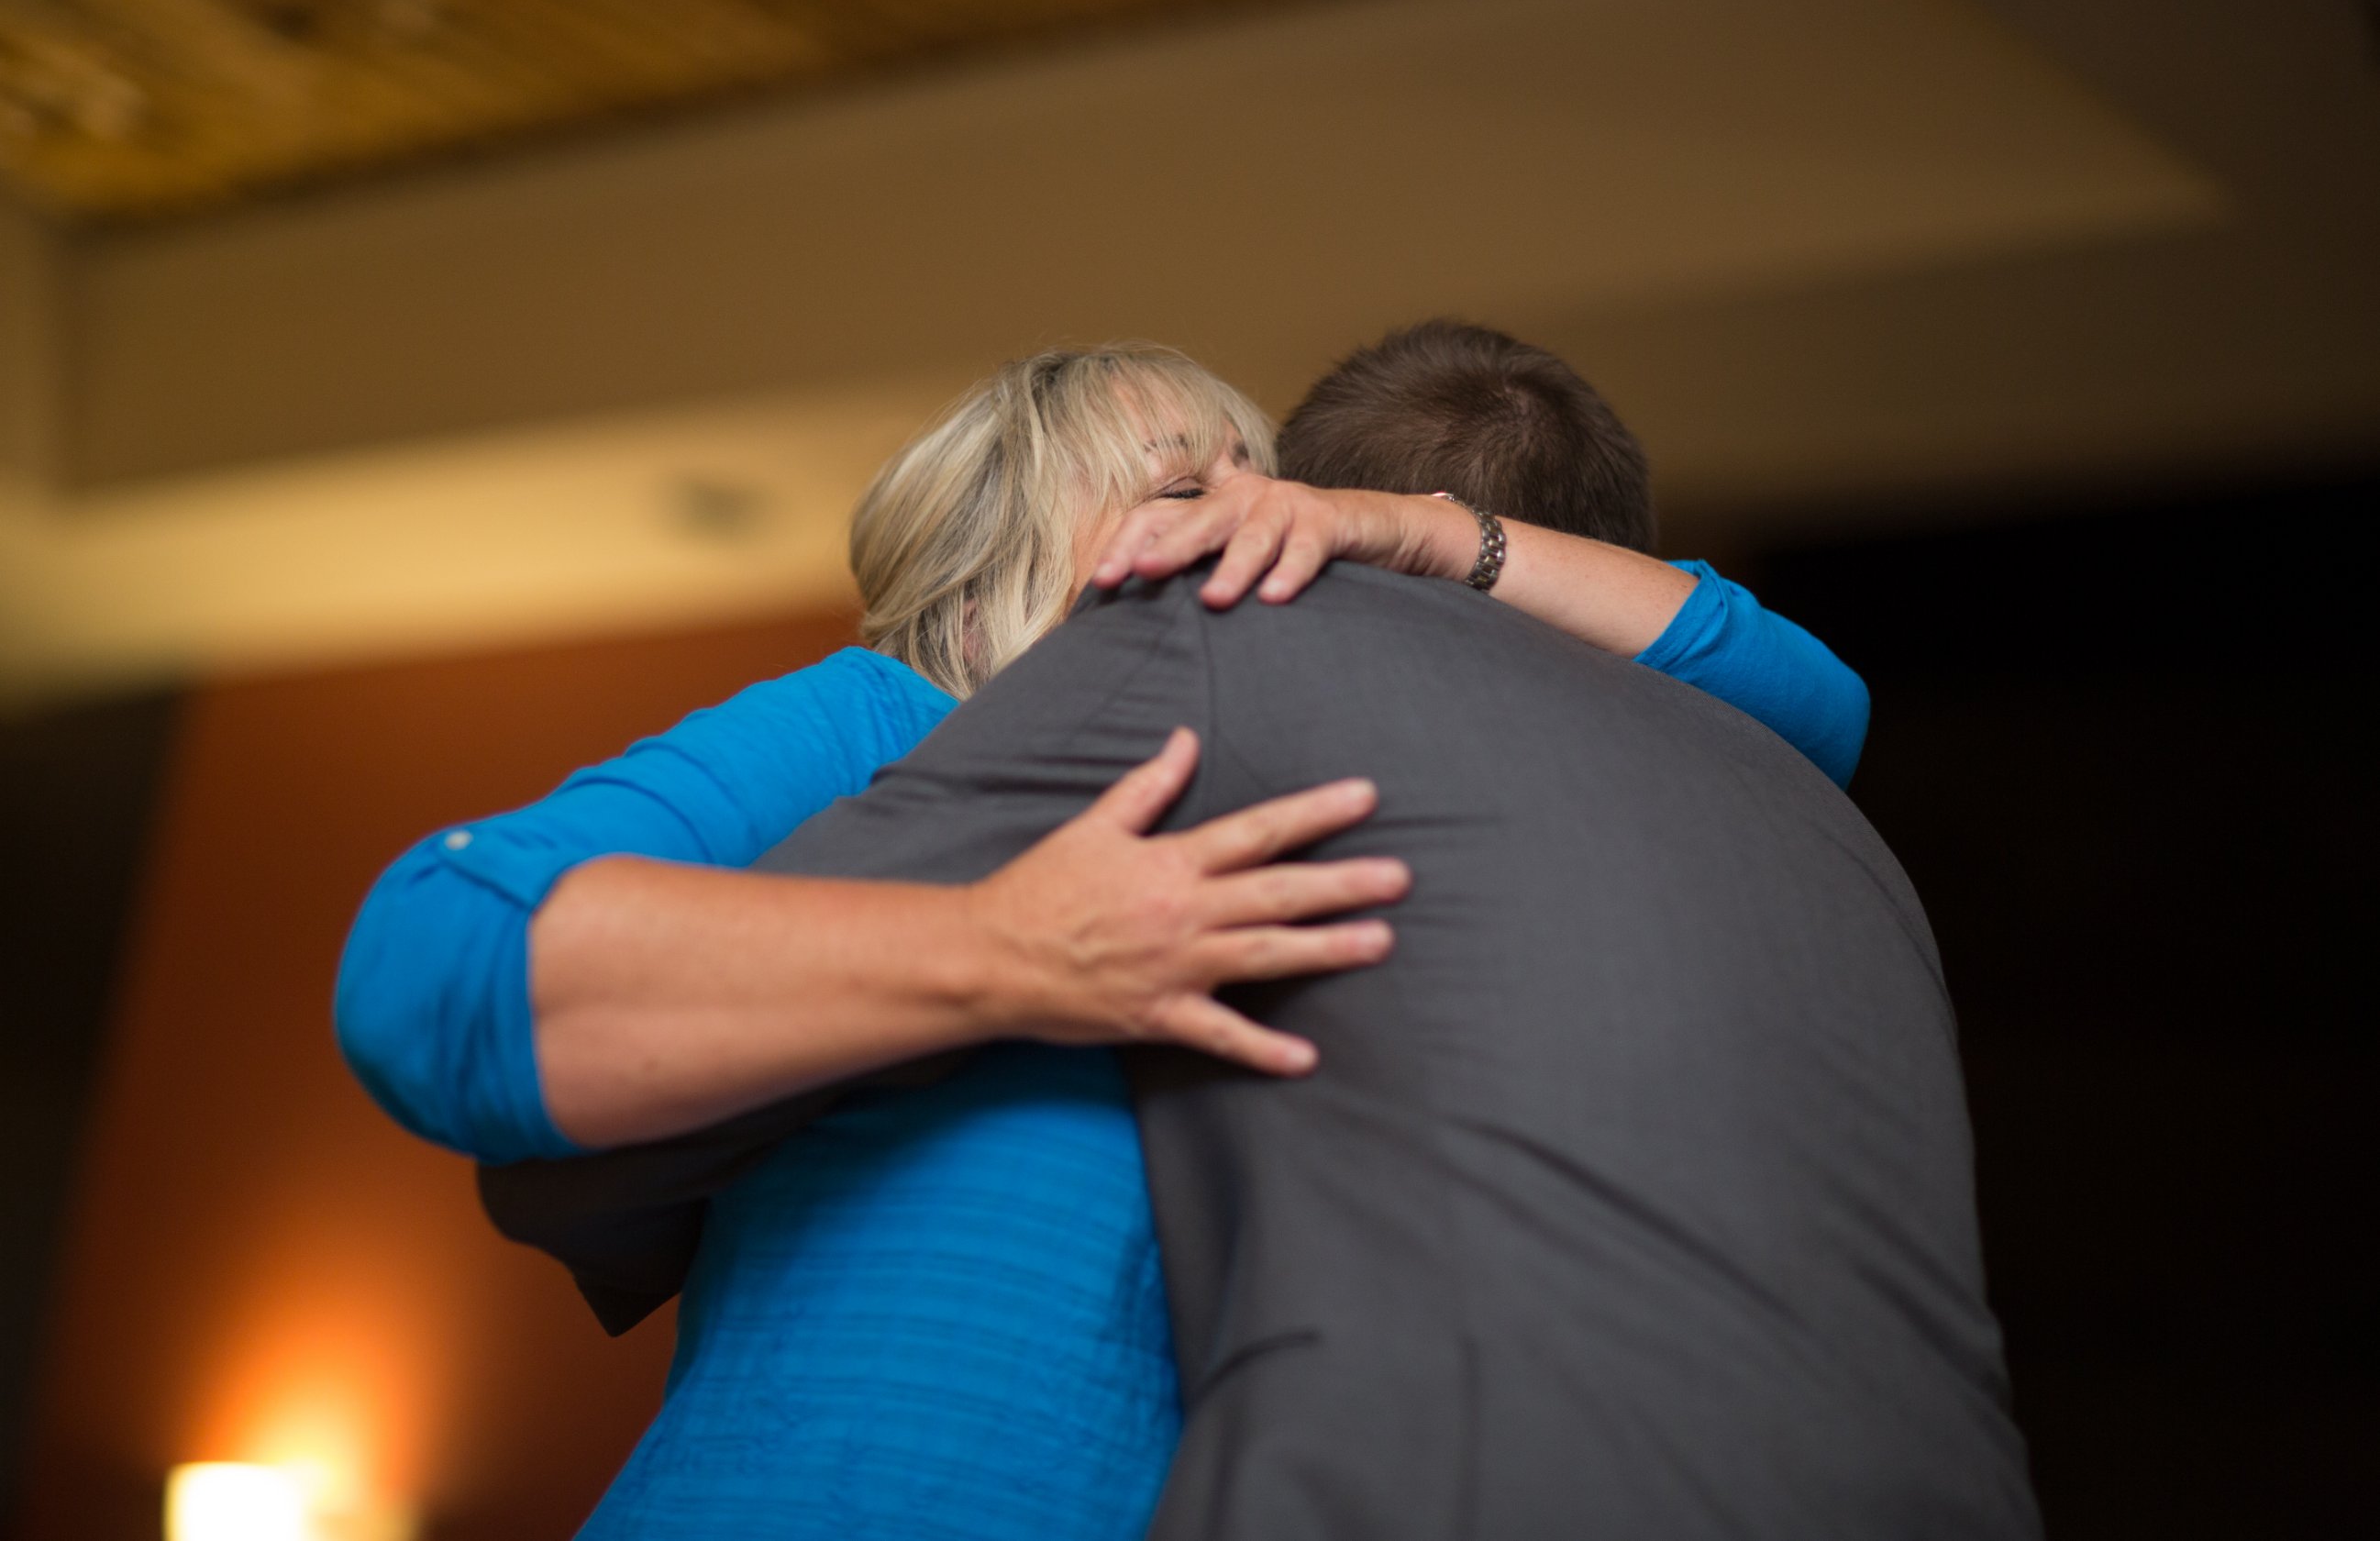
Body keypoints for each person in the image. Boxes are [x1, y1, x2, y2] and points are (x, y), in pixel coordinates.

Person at [345, 332, 1869, 1536]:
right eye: (1177, 474)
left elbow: (1810, 713)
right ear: (1005, 548)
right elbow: (432, 960)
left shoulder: (1304, 784)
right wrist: (1013, 948)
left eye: (1260, 476)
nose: (1248, 511)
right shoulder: (893, 721)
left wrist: (1398, 529)